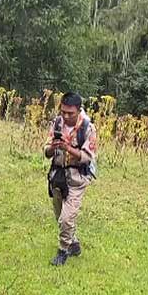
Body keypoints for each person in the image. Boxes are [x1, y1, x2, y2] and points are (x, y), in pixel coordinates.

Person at [44, 92, 98, 266]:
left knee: (67, 218)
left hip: (77, 178)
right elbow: (46, 152)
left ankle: (63, 250)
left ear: (78, 110)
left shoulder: (87, 128)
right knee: (59, 214)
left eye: (70, 113)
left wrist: (67, 148)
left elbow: (87, 156)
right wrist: (53, 147)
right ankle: (73, 242)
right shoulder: (57, 123)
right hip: (57, 175)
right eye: (63, 112)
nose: (66, 116)